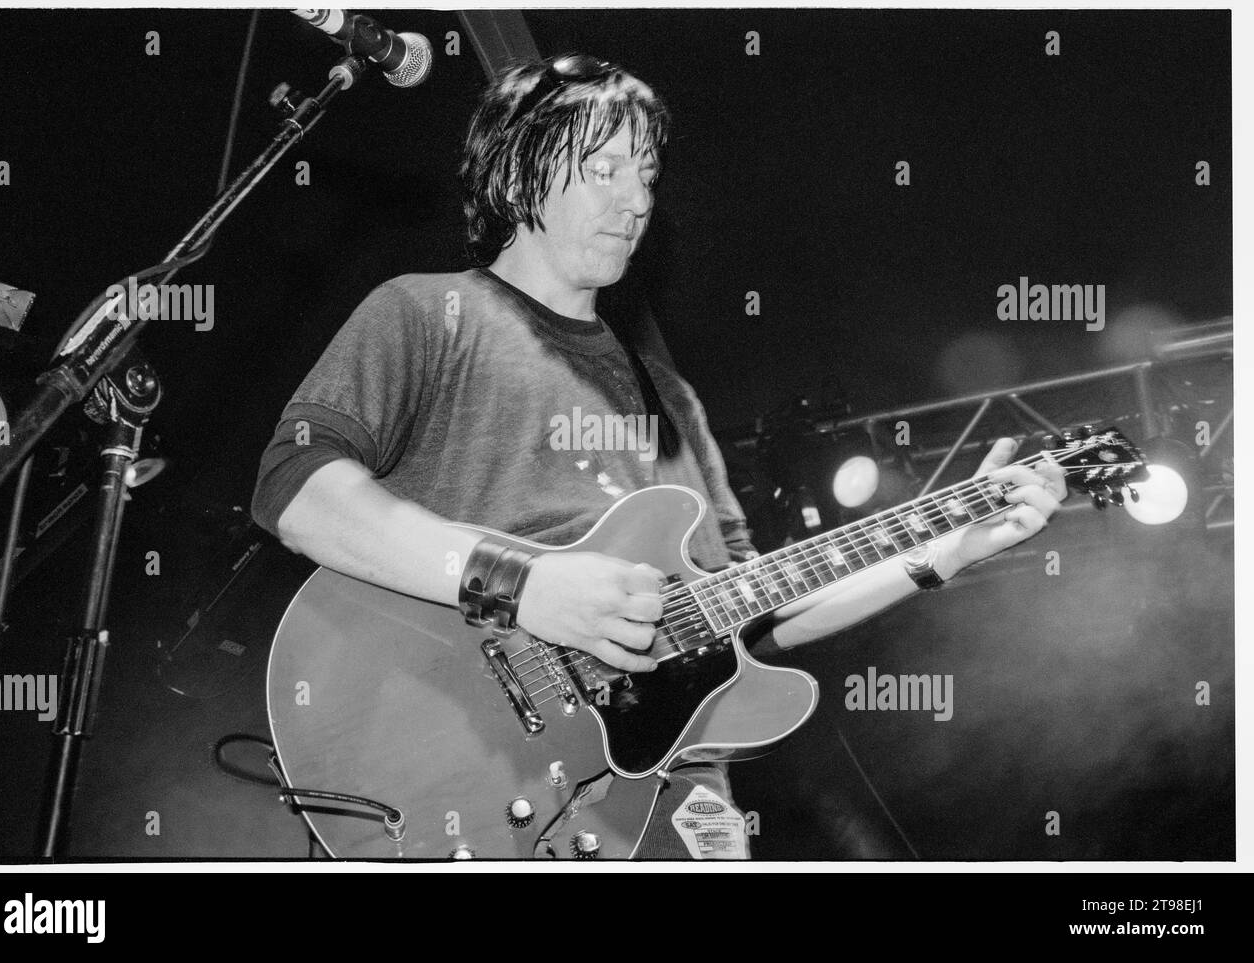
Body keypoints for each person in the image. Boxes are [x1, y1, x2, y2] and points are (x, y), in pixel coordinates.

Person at [250, 54, 1068, 859]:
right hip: (469, 763)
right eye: (603, 167)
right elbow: (297, 493)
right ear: (515, 167)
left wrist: (943, 552)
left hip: (679, 806)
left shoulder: (671, 401)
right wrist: (524, 583)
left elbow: (756, 610)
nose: (635, 198)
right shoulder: (428, 314)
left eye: (644, 174)